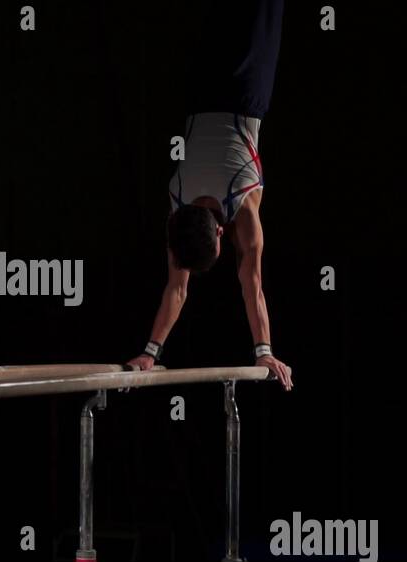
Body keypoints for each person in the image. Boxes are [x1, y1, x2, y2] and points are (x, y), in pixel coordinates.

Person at [127, 0, 293, 390]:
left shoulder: (245, 205)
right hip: (200, 92)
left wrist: (264, 350)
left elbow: (251, 285)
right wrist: (150, 352)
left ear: (222, 233)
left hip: (247, 92)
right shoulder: (177, 198)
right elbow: (176, 288)